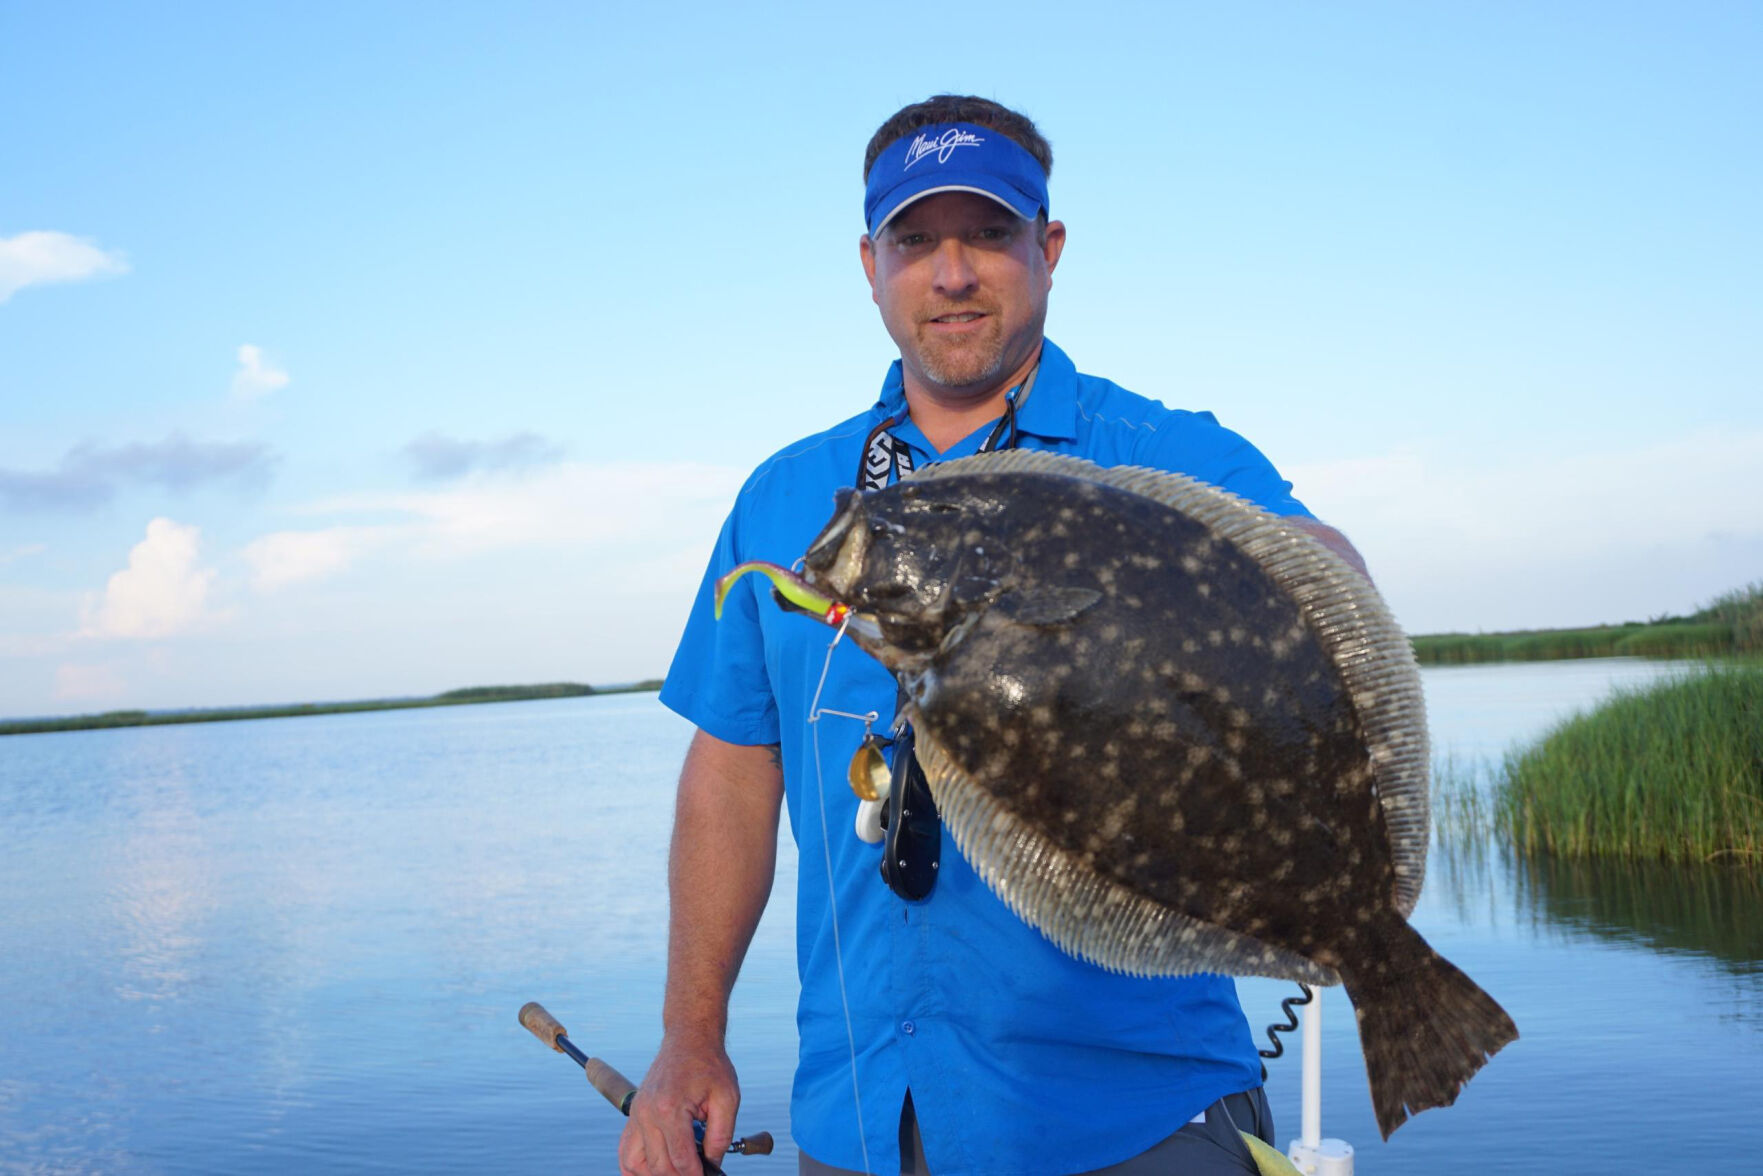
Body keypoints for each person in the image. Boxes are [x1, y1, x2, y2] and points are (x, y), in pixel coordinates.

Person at [621, 95, 1366, 1176]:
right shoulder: (781, 501)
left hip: (1139, 1114)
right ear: (870, 264)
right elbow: (733, 771)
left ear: (1048, 249)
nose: (952, 272)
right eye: (916, 240)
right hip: (863, 1120)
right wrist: (690, 1036)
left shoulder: (1157, 452)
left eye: (988, 234)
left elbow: (1328, 596)